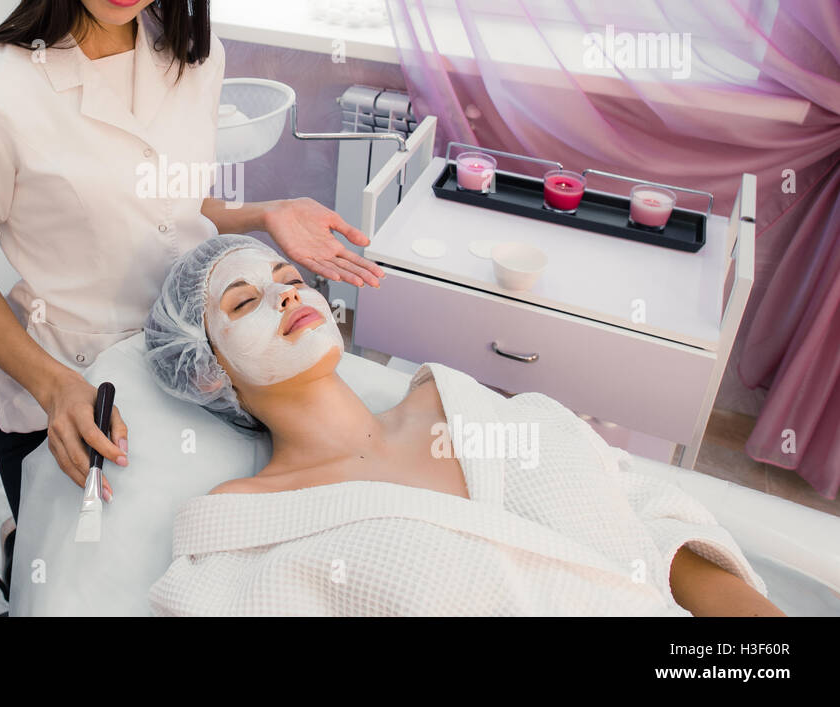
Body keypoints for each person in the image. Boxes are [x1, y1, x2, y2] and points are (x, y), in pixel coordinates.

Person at [0, 0, 384, 594]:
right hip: (65, 391)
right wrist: (54, 381)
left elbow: (175, 202)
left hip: (190, 371)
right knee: (58, 571)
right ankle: (12, 546)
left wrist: (258, 214)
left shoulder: (195, 61)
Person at [142, 234, 785, 616]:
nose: (286, 292)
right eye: (246, 300)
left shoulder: (463, 403)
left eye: (289, 277)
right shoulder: (246, 520)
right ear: (208, 370)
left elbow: (648, 528)